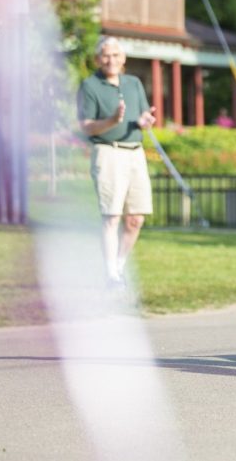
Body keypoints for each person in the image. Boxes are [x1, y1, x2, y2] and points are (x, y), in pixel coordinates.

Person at [78, 36, 157, 290]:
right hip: (108, 151)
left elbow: (143, 114)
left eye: (115, 55)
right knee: (112, 216)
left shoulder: (133, 83)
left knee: (136, 218)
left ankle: (119, 267)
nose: (111, 60)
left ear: (123, 58)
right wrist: (111, 121)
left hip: (135, 151)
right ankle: (111, 275)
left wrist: (146, 121)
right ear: (98, 59)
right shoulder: (90, 86)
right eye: (106, 55)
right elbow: (86, 127)